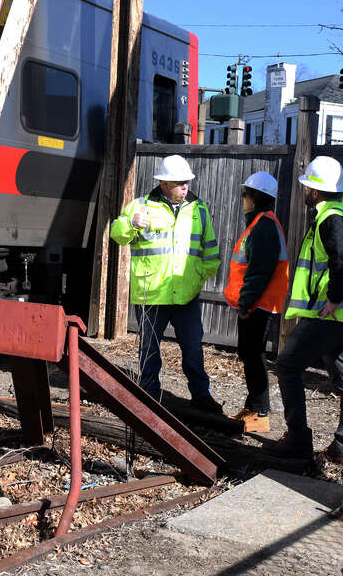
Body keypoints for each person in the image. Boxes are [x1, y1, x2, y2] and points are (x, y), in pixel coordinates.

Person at [264, 156, 343, 466]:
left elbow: (342, 260)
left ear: (315, 191)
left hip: (332, 314)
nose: (304, 190)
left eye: (307, 186)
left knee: (288, 366)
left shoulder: (331, 218)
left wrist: (333, 299)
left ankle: (299, 440)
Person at [110, 154, 222, 415]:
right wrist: (130, 223)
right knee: (149, 349)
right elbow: (117, 233)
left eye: (187, 182)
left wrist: (197, 278)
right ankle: (148, 396)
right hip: (152, 294)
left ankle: (201, 396)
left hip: (186, 295)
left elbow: (211, 253)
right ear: (164, 184)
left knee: (193, 347)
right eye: (179, 182)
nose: (185, 186)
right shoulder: (141, 206)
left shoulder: (199, 209)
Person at [223, 172, 289, 434]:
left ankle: (260, 412)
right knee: (249, 355)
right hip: (258, 303)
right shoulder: (260, 223)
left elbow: (259, 271)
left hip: (259, 304)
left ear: (257, 197)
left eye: (246, 194)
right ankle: (253, 407)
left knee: (254, 356)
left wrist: (246, 304)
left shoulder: (264, 226)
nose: (243, 199)